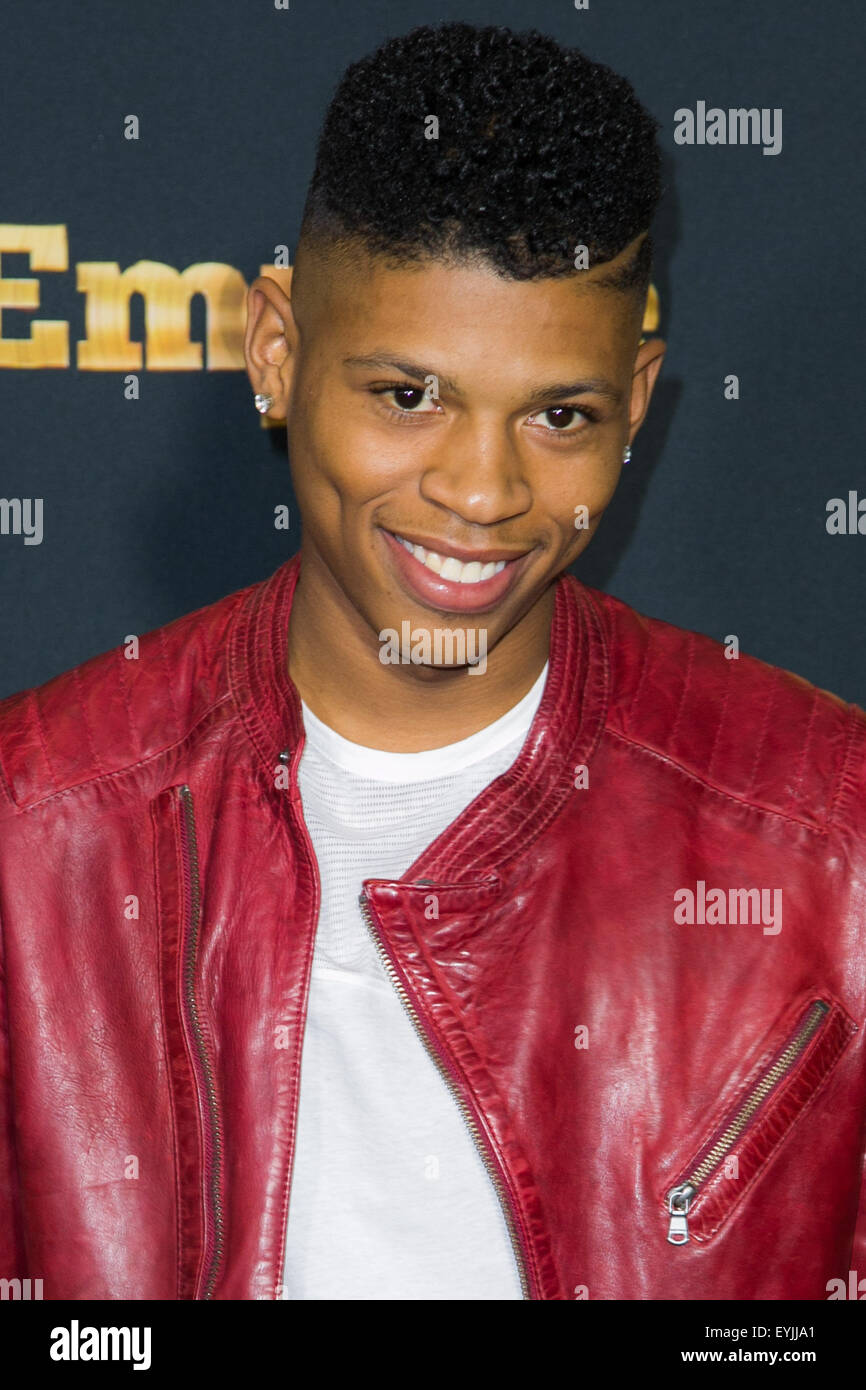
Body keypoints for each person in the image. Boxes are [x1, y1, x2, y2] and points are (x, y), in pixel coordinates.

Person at [0, 21, 864, 1303]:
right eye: (409, 394)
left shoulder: (827, 835)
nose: (480, 489)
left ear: (635, 399)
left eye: (558, 415)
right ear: (276, 350)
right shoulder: (32, 834)